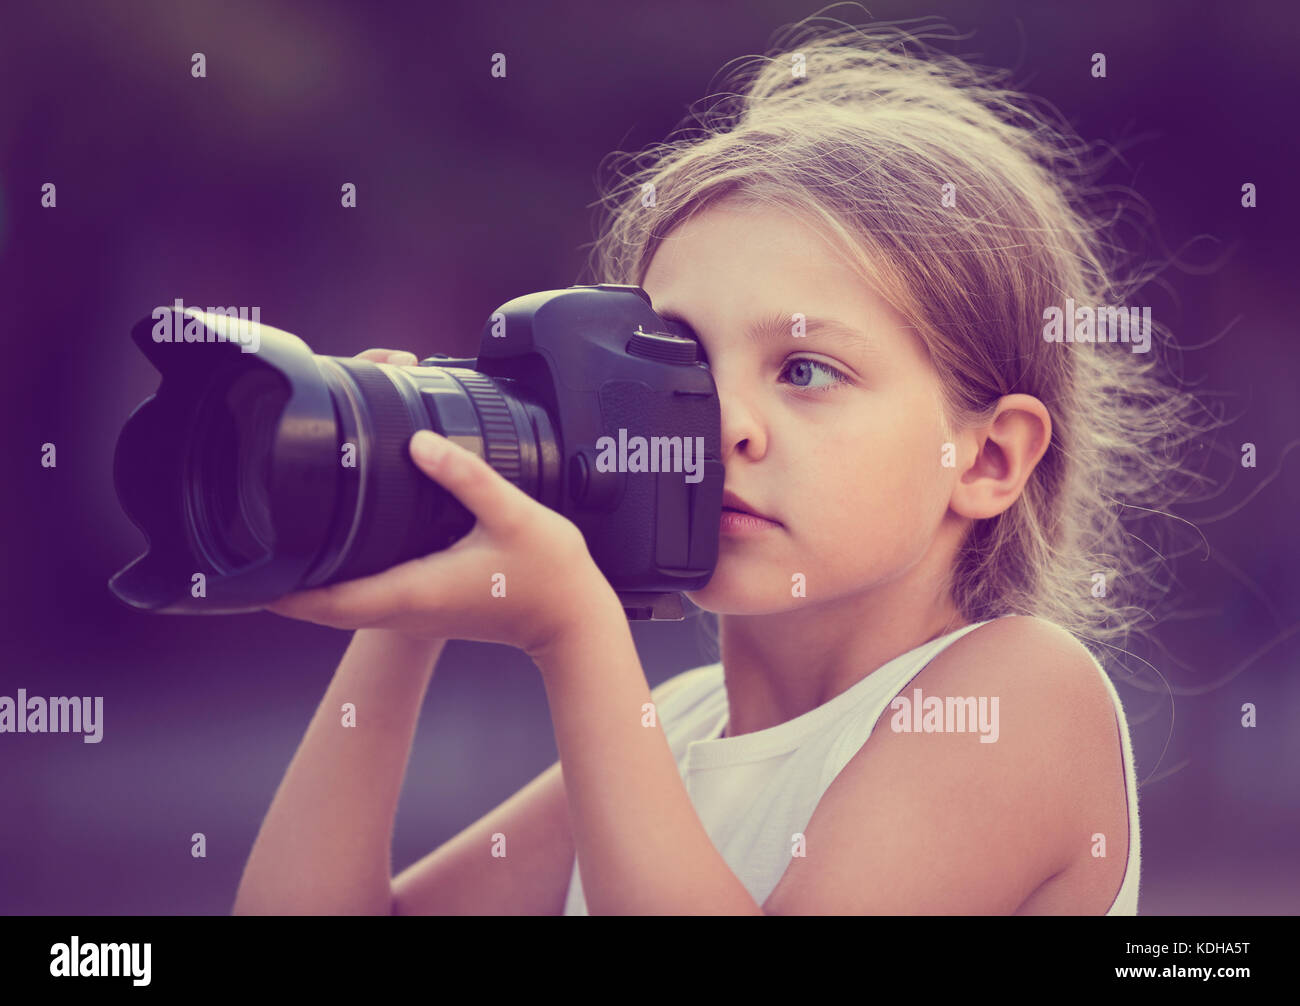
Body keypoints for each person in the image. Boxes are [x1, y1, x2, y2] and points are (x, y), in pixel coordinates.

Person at [232, 17, 1209, 916]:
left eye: (805, 369)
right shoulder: (673, 727)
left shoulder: (1016, 694)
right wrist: (404, 591)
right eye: (682, 364)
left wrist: (574, 634)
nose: (724, 425)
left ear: (988, 458)